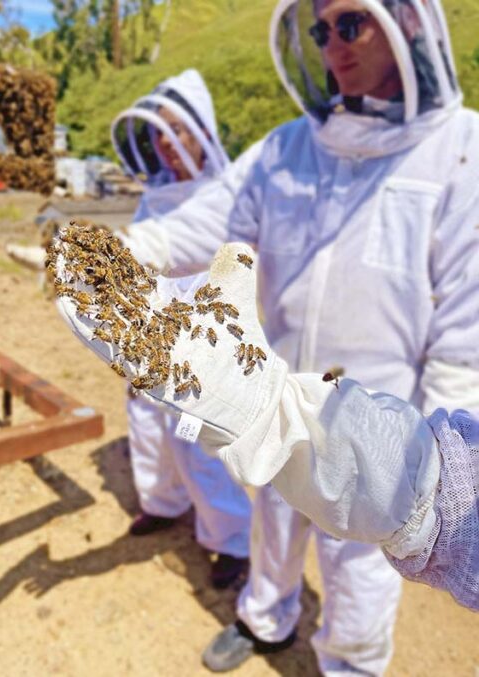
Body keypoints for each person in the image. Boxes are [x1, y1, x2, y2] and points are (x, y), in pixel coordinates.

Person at [62, 0, 479, 672]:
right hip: (276, 387)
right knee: (274, 516)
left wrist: (439, 461)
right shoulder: (287, 149)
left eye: (351, 24)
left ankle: (351, 664)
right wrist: (119, 253)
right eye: (320, 30)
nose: (333, 45)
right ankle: (264, 619)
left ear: (406, 20)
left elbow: (466, 335)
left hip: (381, 420)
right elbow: (202, 222)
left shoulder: (461, 152)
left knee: (360, 568)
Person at [55, 241, 477, 612]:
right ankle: (262, 617)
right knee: (271, 522)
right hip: (297, 388)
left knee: (351, 570)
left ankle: (346, 657)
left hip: (353, 395)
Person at [111, 69, 252, 589]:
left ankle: (232, 540)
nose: (166, 144)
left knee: (197, 440)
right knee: (146, 424)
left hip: (207, 344)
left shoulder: (234, 194)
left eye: (177, 131)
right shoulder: (157, 195)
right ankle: (163, 504)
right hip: (151, 336)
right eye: (158, 134)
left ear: (203, 131)